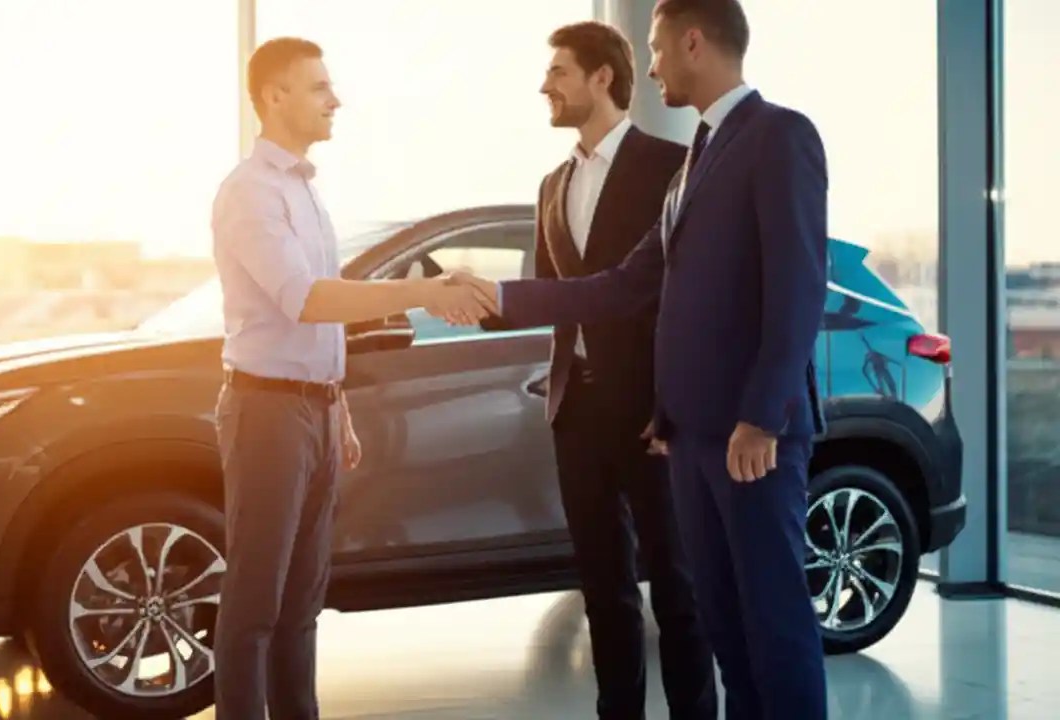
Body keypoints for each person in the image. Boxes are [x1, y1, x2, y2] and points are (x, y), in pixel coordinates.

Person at [454, 1, 830, 717]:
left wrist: (762, 417)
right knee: (728, 633)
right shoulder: (695, 162)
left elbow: (798, 287)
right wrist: (493, 294)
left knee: (775, 630)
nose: (650, 68)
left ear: (694, 42)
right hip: (690, 437)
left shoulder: (779, 135)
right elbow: (624, 286)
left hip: (749, 440)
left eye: (655, 49)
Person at [210, 37, 492, 720]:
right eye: (318, 87)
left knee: (302, 604)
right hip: (267, 414)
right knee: (255, 603)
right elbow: (307, 299)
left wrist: (336, 406)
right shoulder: (249, 192)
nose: (334, 100)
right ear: (274, 96)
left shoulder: (305, 191)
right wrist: (423, 294)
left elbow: (325, 314)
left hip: (312, 412)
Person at [502, 20, 716, 720]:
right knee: (603, 589)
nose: (545, 85)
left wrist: (675, 404)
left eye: (558, 71)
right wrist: (462, 297)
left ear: (601, 77)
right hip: (577, 413)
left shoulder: (672, 167)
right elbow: (553, 295)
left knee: (678, 588)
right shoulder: (551, 185)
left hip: (654, 414)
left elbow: (690, 298)